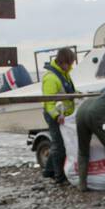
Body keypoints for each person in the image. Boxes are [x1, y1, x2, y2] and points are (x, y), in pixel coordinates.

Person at [40, 47, 77, 184]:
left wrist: (78, 94)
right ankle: (59, 177)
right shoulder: (50, 78)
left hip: (64, 115)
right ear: (63, 62)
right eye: (70, 63)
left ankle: (48, 171)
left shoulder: (64, 74)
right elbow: (49, 102)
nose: (71, 66)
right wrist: (56, 116)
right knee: (59, 145)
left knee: (60, 143)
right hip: (55, 115)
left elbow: (68, 90)